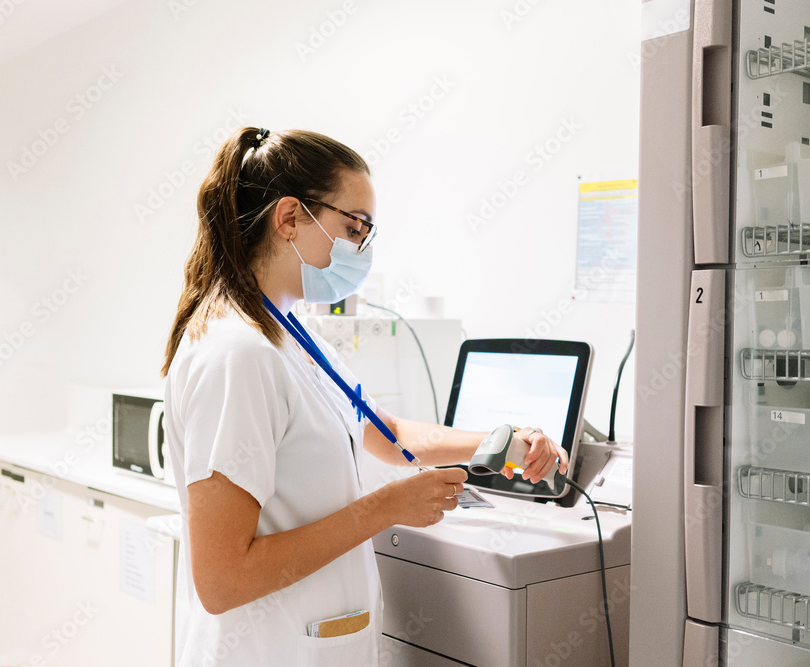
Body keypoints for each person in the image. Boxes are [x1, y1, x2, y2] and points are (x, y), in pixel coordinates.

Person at [160, 127, 568, 666]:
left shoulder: (289, 332)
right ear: (288, 219)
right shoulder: (238, 354)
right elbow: (222, 579)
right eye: (354, 227)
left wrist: (504, 442)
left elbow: (387, 433)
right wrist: (387, 507)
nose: (361, 248)